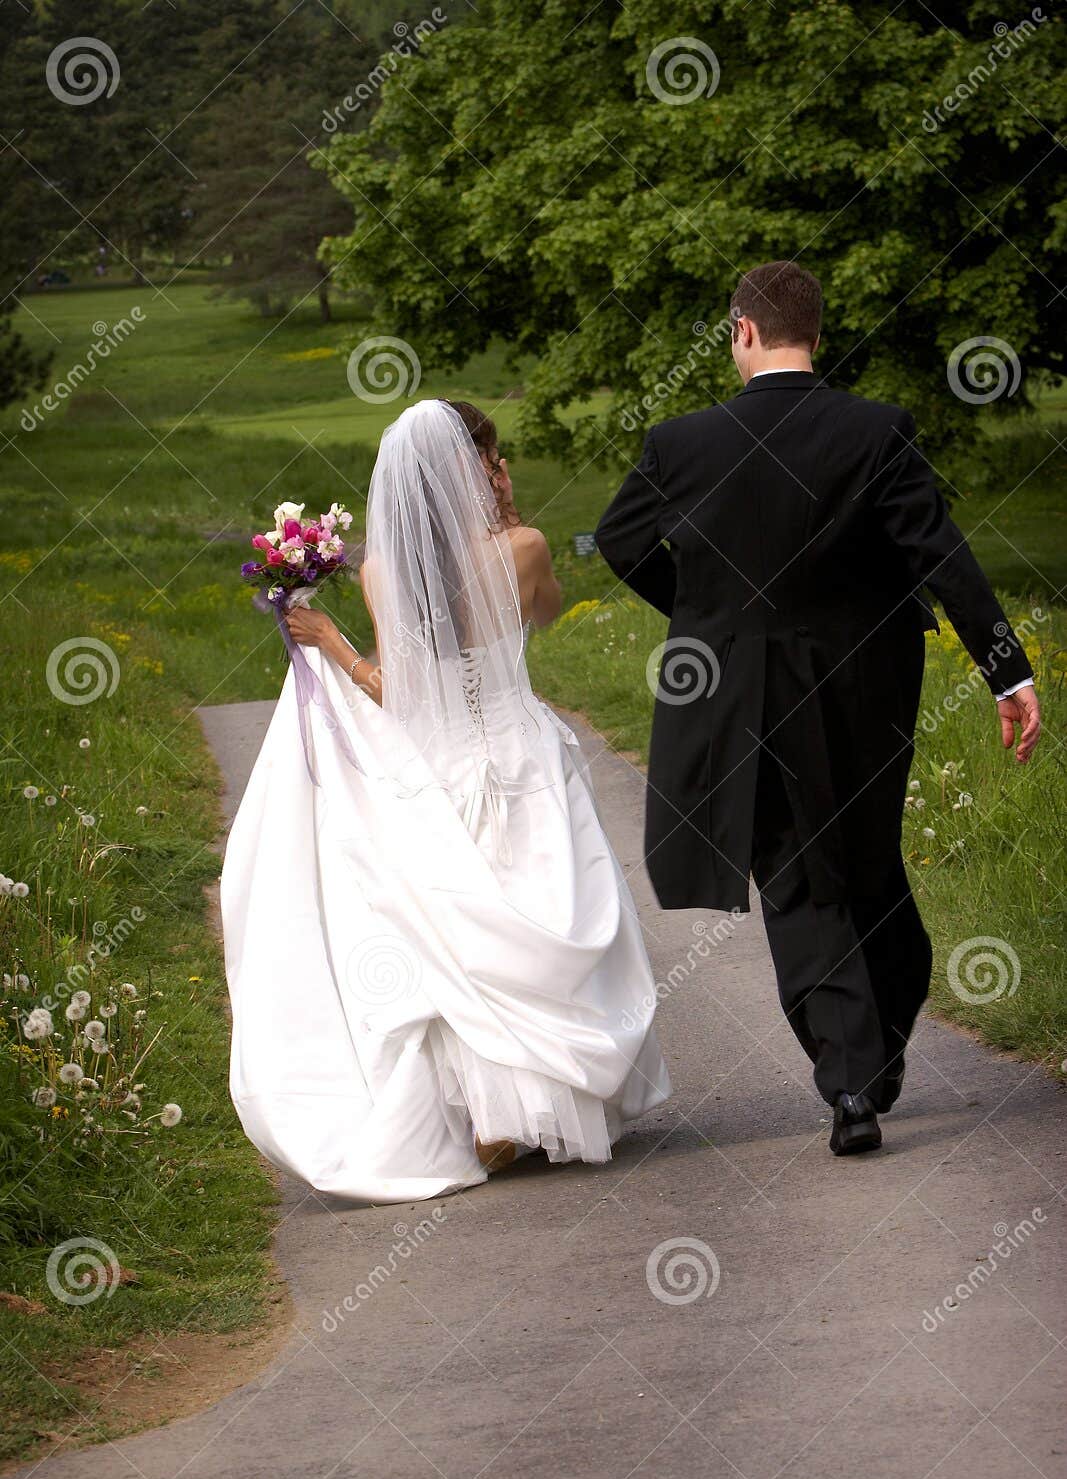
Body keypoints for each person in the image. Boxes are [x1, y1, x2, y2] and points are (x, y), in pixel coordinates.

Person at [595, 260, 1039, 1156]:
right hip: (866, 686)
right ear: (815, 333)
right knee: (866, 864)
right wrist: (1005, 671)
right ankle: (865, 1064)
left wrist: (705, 618)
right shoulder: (875, 430)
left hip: (740, 694)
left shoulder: (680, 443)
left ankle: (850, 1082)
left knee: (796, 878)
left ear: (742, 333)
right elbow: (939, 555)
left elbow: (619, 541)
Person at [220, 399, 670, 1203]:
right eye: (493, 459)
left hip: (441, 767)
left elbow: (400, 694)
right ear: (475, 472)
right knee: (546, 916)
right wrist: (506, 528)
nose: (502, 470)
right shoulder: (525, 548)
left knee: (462, 939)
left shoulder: (378, 573)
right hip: (521, 752)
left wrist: (334, 647)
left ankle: (492, 1115)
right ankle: (552, 1103)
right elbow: (547, 609)